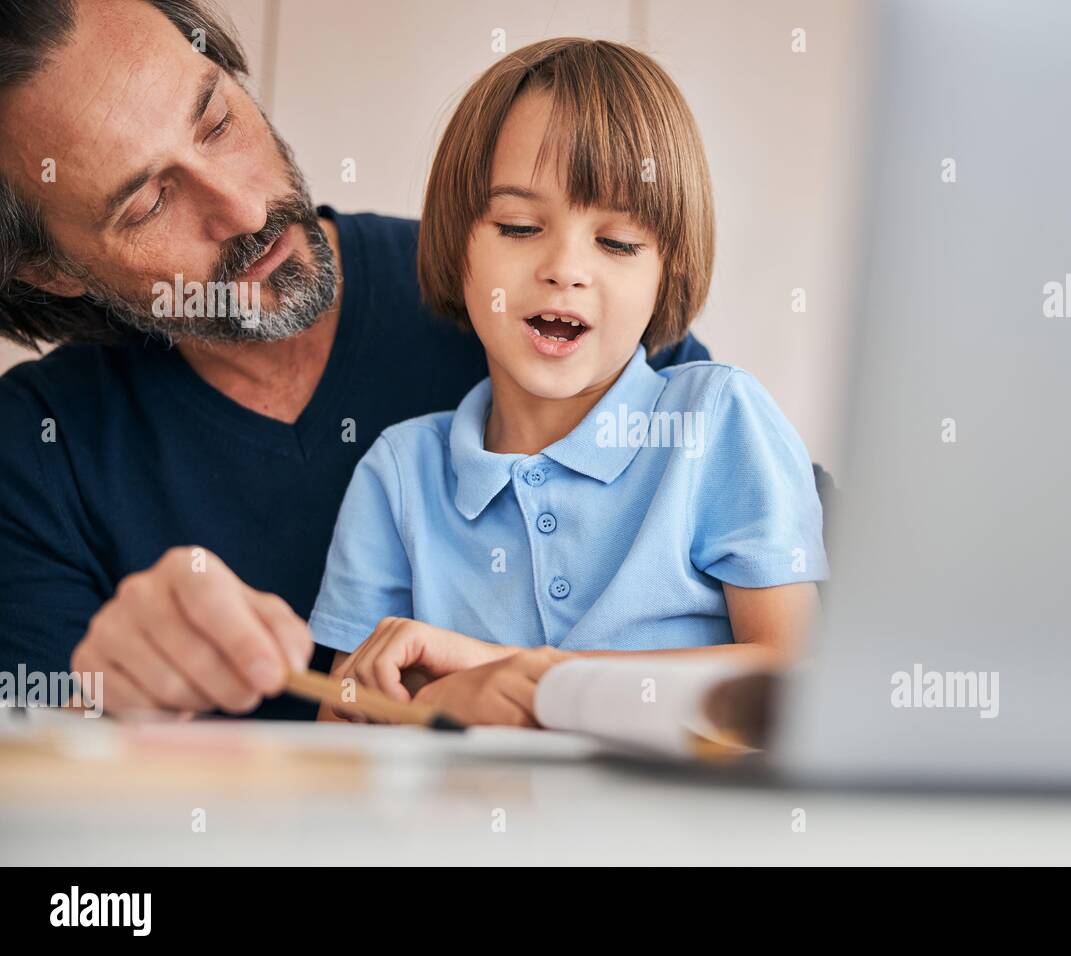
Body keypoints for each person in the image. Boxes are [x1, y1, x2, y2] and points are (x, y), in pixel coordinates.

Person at [0, 0, 711, 720]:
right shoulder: (33, 458)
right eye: (149, 203)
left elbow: (800, 651)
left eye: (217, 122)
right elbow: (49, 792)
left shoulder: (537, 304)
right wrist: (98, 711)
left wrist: (531, 683)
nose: (244, 210)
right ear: (49, 271)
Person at [312, 38, 828, 727]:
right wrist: (437, 702)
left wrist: (532, 682)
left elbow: (797, 676)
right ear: (454, 241)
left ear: (666, 273)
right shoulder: (399, 474)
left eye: (616, 243)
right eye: (520, 226)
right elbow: (341, 720)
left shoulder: (717, 422)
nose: (566, 268)